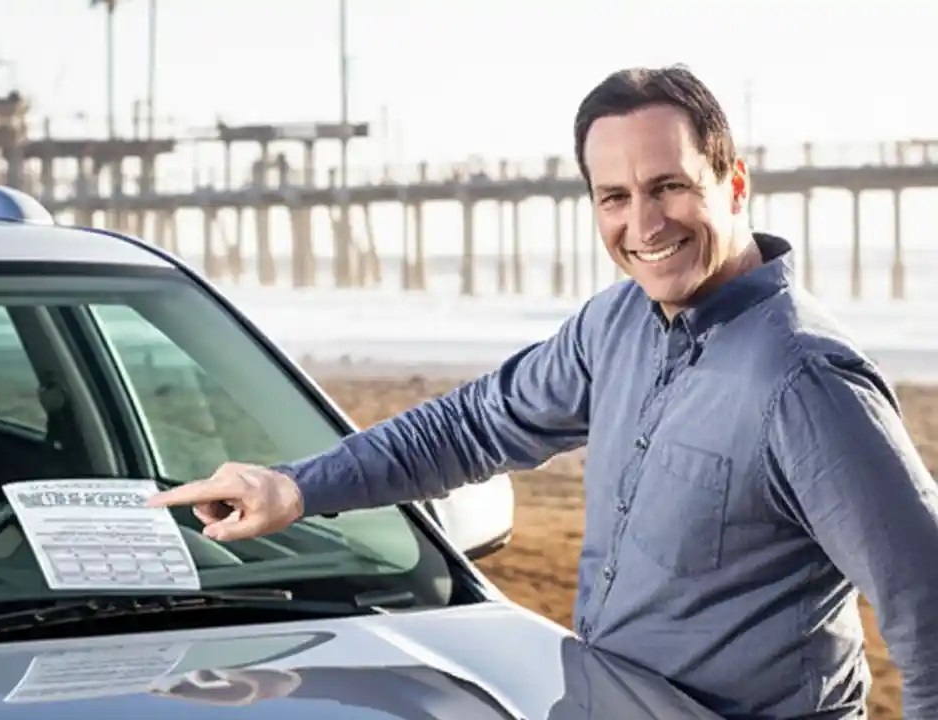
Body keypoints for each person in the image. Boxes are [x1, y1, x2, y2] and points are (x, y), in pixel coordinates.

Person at [149, 64, 938, 718]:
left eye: (669, 186)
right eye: (615, 197)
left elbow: (927, 611)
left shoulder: (806, 380)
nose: (645, 224)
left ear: (734, 183)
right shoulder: (616, 323)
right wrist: (293, 486)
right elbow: (467, 430)